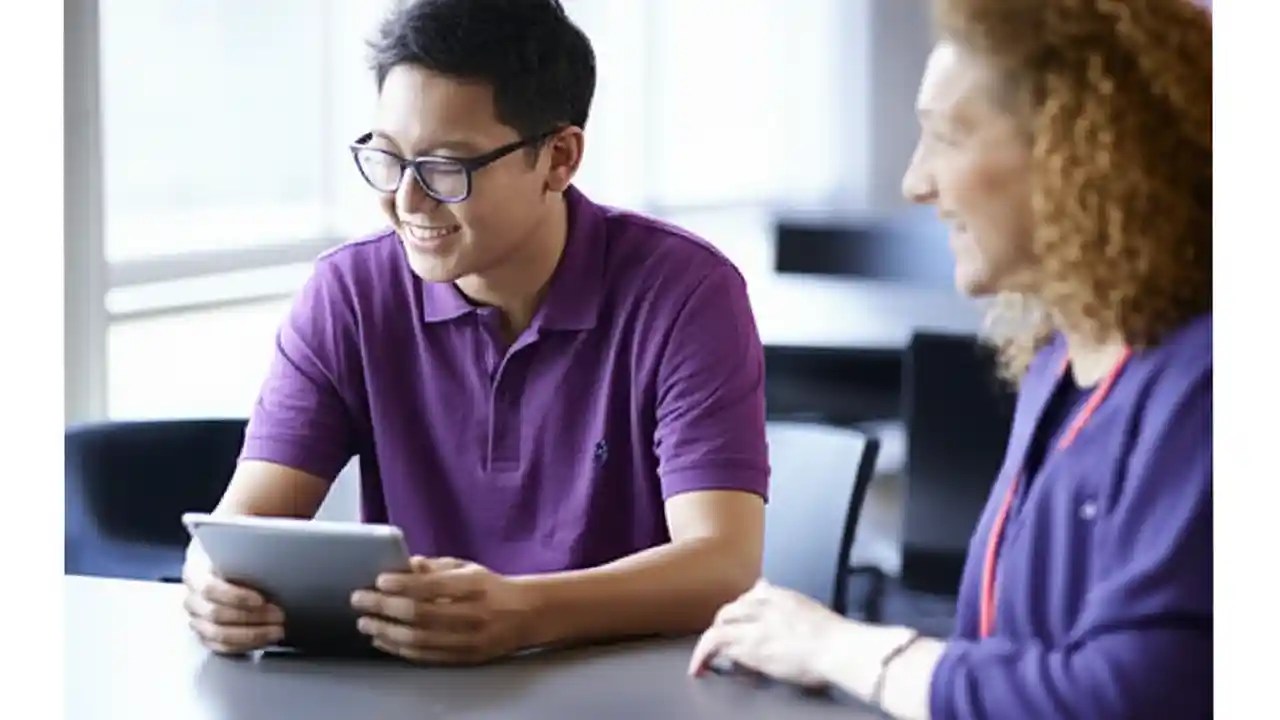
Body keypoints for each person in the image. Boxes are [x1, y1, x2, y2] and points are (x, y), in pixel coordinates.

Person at [183, 0, 768, 664]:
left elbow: (723, 563)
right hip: (412, 693)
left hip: (629, 692)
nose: (406, 202)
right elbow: (241, 528)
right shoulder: (349, 295)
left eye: (444, 169)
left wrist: (527, 611)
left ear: (558, 158)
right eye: (388, 158)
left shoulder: (686, 292)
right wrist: (209, 581)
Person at [690, 0, 1212, 718]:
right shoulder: (1056, 363)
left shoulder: (1207, 387)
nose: (915, 182)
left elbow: (1123, 697)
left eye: (946, 136)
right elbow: (1006, 646)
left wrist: (846, 649)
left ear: (1078, 149)